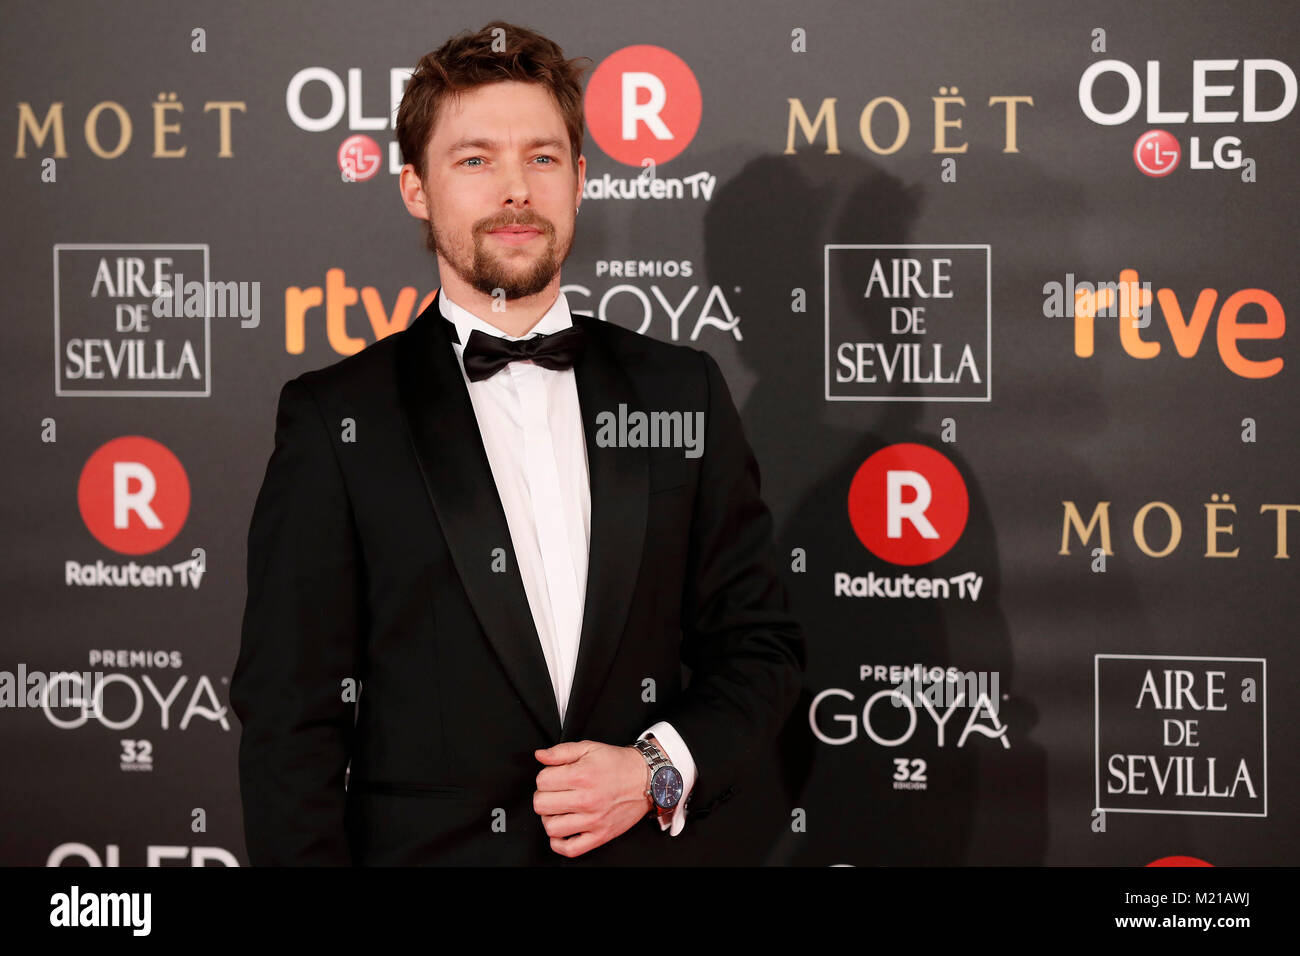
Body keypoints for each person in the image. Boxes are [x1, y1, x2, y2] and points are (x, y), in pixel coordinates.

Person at [229, 20, 804, 866]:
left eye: (541, 158)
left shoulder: (683, 392)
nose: (515, 191)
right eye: (474, 160)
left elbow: (760, 647)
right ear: (415, 189)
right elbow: (290, 725)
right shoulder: (335, 421)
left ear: (578, 178)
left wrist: (656, 769)